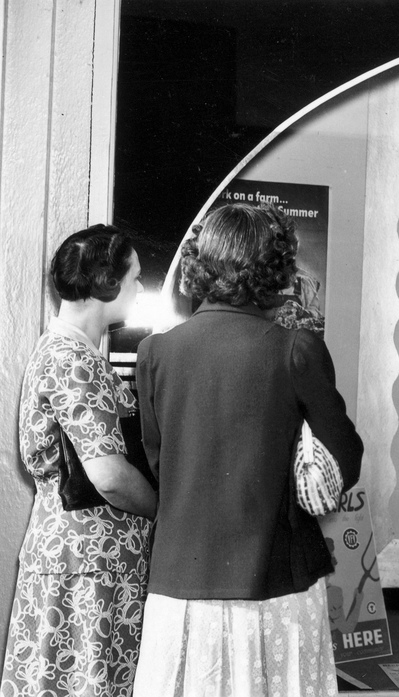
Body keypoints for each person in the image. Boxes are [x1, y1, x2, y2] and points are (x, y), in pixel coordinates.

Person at [132, 202, 363, 696]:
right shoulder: (295, 348)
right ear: (275, 269)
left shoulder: (156, 353)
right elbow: (345, 461)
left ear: (202, 263)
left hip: (180, 586)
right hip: (275, 583)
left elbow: (159, 466)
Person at [2, 225, 157, 696]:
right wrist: (161, 512)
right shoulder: (72, 359)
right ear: (106, 284)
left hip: (85, 561)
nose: (139, 288)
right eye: (133, 278)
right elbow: (108, 475)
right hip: (87, 566)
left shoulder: (72, 352)